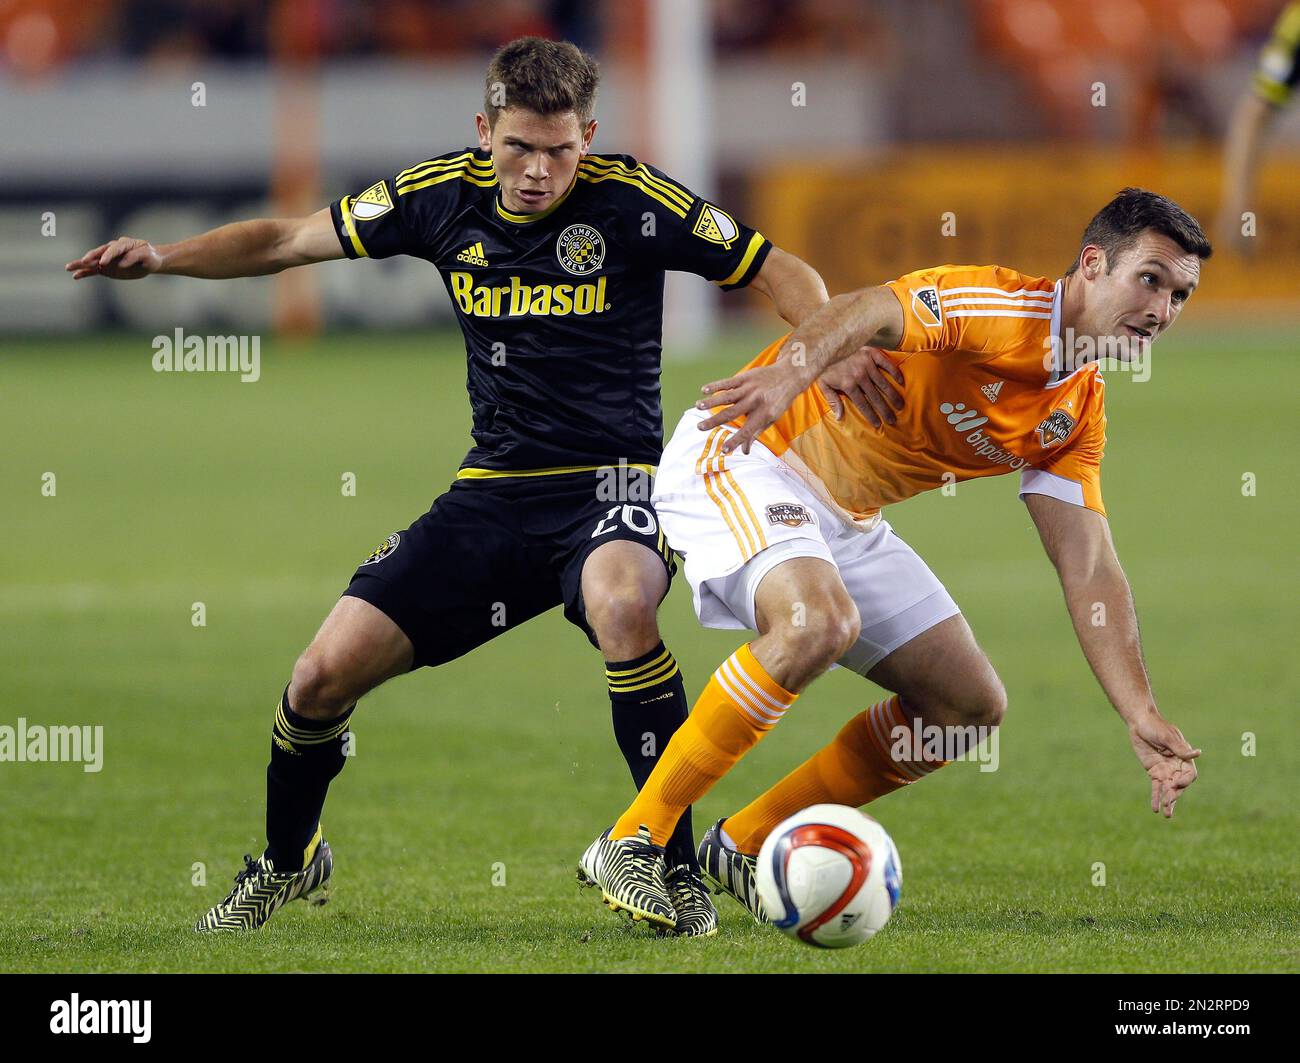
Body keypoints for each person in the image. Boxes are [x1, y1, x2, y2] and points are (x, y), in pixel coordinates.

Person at [66, 36, 900, 937]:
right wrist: (164, 258)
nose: (537, 171)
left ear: (589, 135)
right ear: (483, 129)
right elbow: (283, 238)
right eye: (517, 147)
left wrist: (823, 349)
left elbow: (779, 269)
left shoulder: (636, 201)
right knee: (317, 678)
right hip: (493, 490)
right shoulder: (433, 196)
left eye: (559, 150)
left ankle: (667, 865)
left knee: (623, 602)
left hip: (614, 482)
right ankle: (285, 862)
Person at [580, 188, 1206, 931]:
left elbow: (1090, 565)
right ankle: (633, 838)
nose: (1162, 310)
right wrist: (794, 371)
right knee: (817, 623)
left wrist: (1139, 711)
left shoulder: (1076, 411)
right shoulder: (1002, 308)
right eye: (1151, 280)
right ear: (1094, 264)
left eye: (1180, 295)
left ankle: (741, 845)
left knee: (965, 707)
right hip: (750, 448)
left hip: (844, 515)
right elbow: (874, 307)